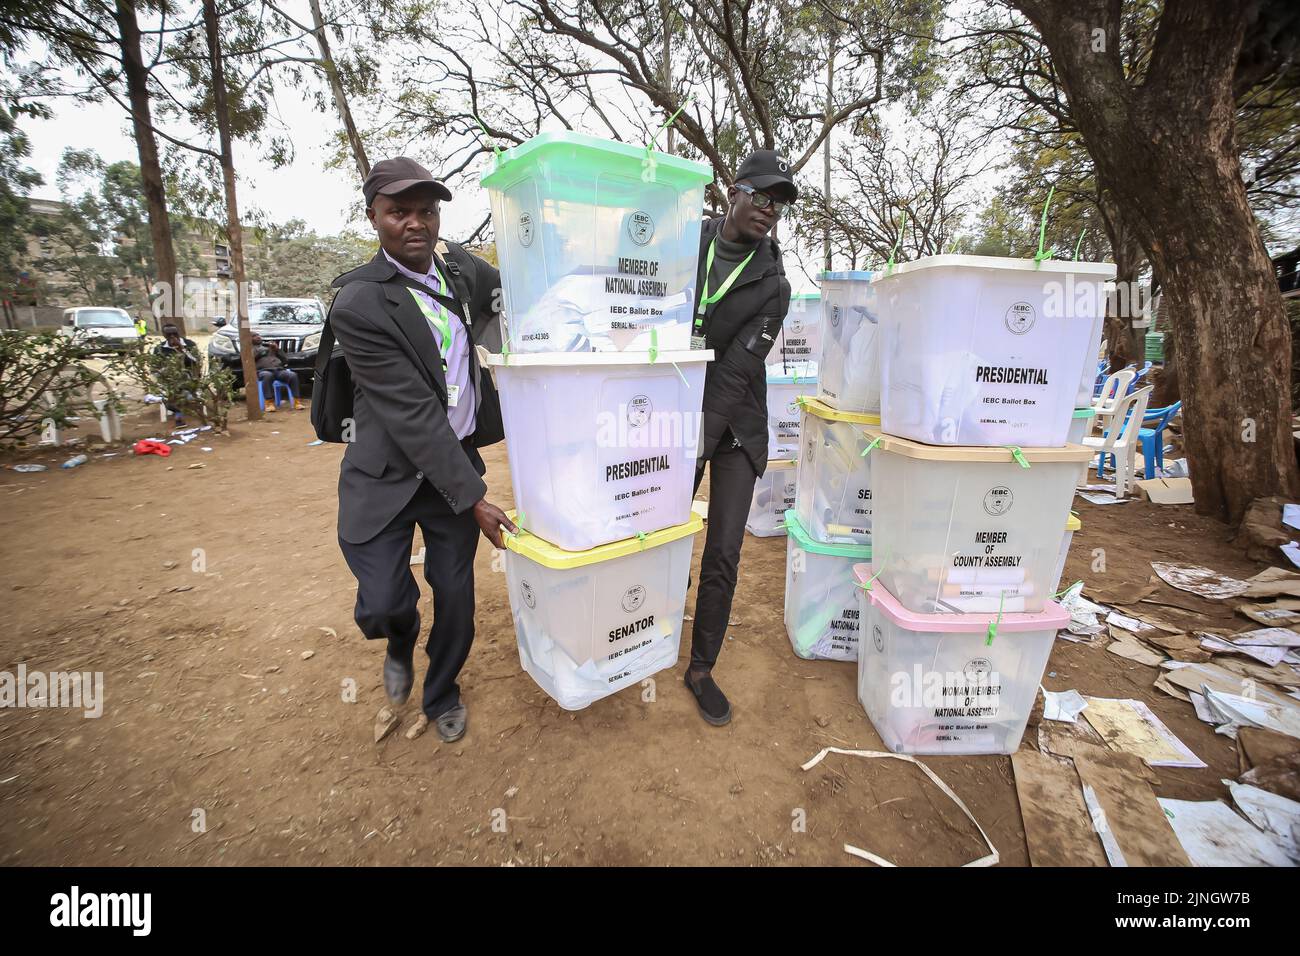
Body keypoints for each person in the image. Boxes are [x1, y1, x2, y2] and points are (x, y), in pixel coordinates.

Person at [328, 157, 515, 744]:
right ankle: (401, 640)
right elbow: (410, 412)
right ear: (374, 218)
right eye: (398, 212)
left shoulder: (462, 273)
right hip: (386, 471)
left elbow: (520, 302)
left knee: (456, 592)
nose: (416, 223)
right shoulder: (359, 302)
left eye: (427, 211)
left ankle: (442, 693)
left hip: (452, 462)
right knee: (384, 602)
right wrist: (476, 497)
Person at [685, 150, 795, 726]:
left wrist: (694, 446)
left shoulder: (774, 287)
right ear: (735, 190)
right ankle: (640, 634)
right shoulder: (683, 242)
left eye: (779, 204)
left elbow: (733, 376)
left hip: (732, 428)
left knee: (723, 549)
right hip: (671, 417)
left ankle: (701, 668)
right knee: (657, 532)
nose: (769, 209)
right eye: (762, 195)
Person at [153, 323, 200, 427]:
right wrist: (165, 372)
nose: (172, 337)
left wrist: (182, 349)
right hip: (169, 379)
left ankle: (178, 412)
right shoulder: (159, 349)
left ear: (178, 333)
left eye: (174, 334)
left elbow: (196, 362)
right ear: (164, 335)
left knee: (182, 385)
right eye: (169, 334)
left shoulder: (189, 344)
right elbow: (155, 368)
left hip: (188, 377)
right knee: (173, 388)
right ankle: (179, 411)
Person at [251, 332, 303, 411]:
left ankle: (297, 402)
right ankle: (269, 403)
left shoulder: (270, 347)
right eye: (254, 336)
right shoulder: (249, 349)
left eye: (258, 335)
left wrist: (277, 350)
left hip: (278, 370)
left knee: (292, 375)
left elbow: (285, 360)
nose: (258, 337)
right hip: (263, 371)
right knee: (267, 376)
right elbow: (251, 359)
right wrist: (264, 351)